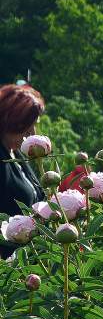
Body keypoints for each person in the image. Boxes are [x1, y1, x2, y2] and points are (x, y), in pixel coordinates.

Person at [0, 84, 45, 258]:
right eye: (27, 125)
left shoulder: (16, 153)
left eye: (35, 125)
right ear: (9, 120)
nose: (31, 133)